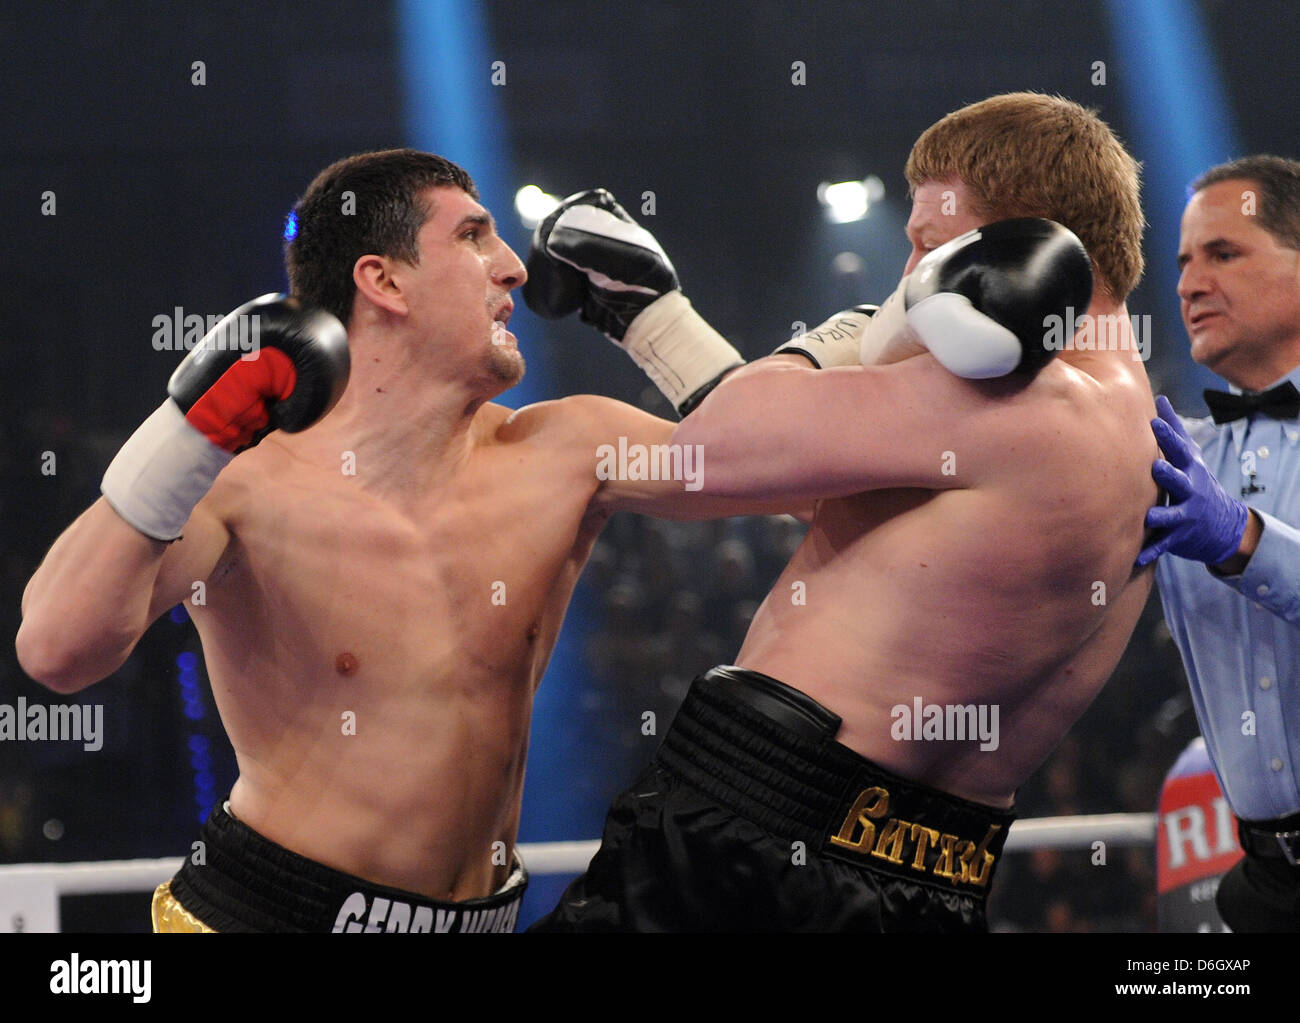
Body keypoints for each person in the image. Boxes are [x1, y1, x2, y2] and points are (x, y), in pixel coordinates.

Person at [14, 148, 793, 933]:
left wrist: (661, 321)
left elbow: (797, 475)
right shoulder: (242, 483)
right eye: (474, 237)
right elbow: (57, 649)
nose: (514, 269)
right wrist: (186, 434)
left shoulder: (566, 448)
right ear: (382, 281)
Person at [526, 92, 1158, 932]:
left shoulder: (1022, 397)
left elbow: (706, 453)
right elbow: (809, 479)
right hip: (935, 875)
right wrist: (654, 321)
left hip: (757, 828)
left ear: (1017, 248)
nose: (911, 278)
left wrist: (865, 328)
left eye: (928, 249)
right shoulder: (1146, 434)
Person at [1137, 155, 1300, 932]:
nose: (1188, 283)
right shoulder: (1179, 455)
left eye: (1223, 253)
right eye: (1182, 262)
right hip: (1263, 884)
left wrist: (1240, 537)